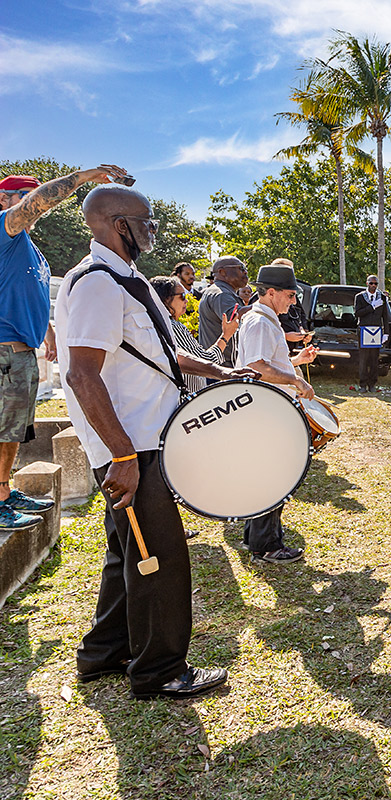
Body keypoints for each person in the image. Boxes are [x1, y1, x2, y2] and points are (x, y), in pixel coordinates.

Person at [59, 183, 256, 698]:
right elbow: (82, 374)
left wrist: (219, 370)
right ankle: (159, 670)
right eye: (146, 221)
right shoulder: (97, 283)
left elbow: (166, 354)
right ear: (120, 225)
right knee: (160, 559)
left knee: (128, 553)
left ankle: (104, 652)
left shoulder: (129, 281)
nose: (153, 230)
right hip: (131, 446)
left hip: (146, 440)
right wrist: (121, 455)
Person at [1, 165, 129, 530]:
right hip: (3, 351)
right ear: (5, 201)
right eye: (22, 197)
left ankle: (4, 491)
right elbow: (40, 203)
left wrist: (48, 332)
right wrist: (84, 177)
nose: (33, 205)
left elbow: (28, 295)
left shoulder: (29, 248)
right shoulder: (4, 230)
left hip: (22, 350)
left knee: (13, 432)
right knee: (2, 430)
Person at [236, 263, 318, 565]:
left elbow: (270, 361)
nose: (293, 301)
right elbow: (257, 367)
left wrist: (296, 360)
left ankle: (256, 537)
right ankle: (266, 544)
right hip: (266, 410)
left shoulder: (265, 320)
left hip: (268, 407)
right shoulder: (260, 322)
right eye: (289, 295)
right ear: (271, 293)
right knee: (272, 478)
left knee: (267, 476)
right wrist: (295, 379)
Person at [149, 275, 238, 395]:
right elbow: (206, 360)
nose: (186, 300)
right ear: (165, 299)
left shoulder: (154, 324)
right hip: (187, 402)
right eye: (182, 296)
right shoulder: (173, 327)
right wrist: (226, 335)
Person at [198, 255, 251, 363]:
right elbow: (236, 317)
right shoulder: (221, 294)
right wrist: (265, 304)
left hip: (219, 366)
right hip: (222, 367)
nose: (245, 272)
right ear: (222, 272)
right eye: (241, 268)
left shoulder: (222, 292)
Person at [354, 275, 391, 392]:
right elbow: (357, 313)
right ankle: (363, 384)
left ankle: (372, 384)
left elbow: (385, 317)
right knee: (363, 359)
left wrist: (386, 333)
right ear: (367, 283)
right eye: (371, 283)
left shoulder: (381, 297)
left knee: (374, 359)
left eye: (375, 284)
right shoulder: (360, 297)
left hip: (376, 331)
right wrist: (371, 307)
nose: (373, 286)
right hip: (364, 330)